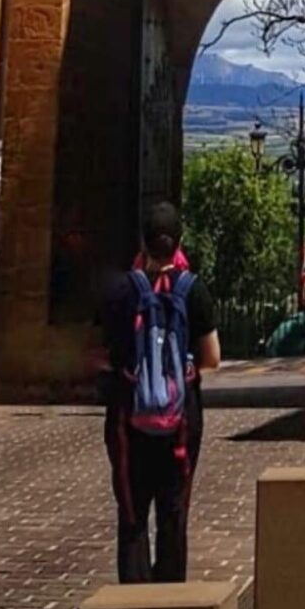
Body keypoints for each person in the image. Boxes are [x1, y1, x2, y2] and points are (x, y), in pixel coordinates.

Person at [97, 198, 221, 583]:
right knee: (173, 510)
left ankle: (134, 599)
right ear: (179, 242)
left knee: (133, 511)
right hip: (181, 419)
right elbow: (212, 357)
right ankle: (171, 603)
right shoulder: (193, 291)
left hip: (129, 418)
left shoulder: (122, 292)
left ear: (143, 243)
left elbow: (102, 355)